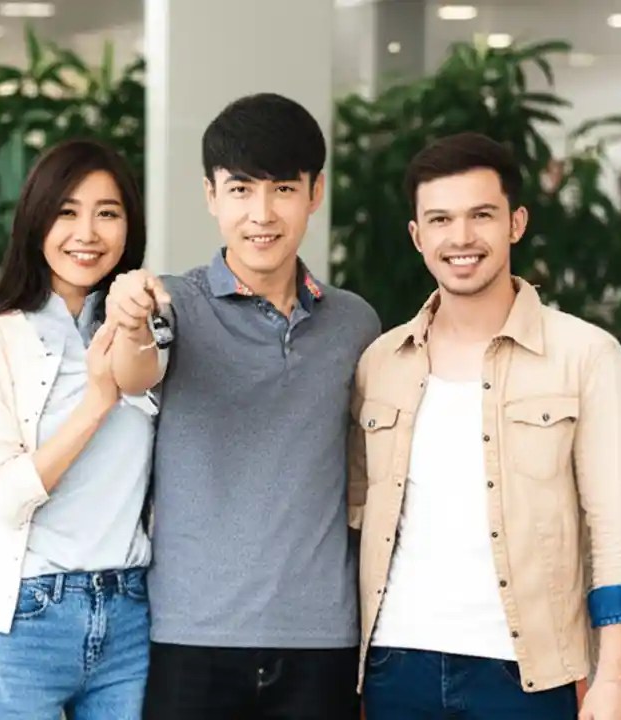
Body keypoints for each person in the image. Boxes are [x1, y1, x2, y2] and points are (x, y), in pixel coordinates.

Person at [350, 132, 621, 719]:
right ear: (417, 236)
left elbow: (614, 531)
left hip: (527, 675)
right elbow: (357, 516)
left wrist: (615, 677)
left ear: (515, 223)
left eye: (480, 215)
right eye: (439, 219)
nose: (460, 237)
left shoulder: (585, 354)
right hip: (396, 666)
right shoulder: (381, 362)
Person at [105, 92, 381, 719]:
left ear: (315, 193)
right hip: (190, 636)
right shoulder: (170, 305)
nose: (261, 213)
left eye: (283, 188)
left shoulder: (355, 323)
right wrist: (132, 322)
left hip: (321, 638)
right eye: (240, 190)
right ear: (211, 196)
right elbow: (133, 373)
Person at [0, 138, 160, 719]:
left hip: (130, 616)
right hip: (25, 622)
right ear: (35, 221)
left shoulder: (152, 334)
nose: (87, 232)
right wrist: (97, 401)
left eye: (107, 213)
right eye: (66, 212)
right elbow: (3, 498)